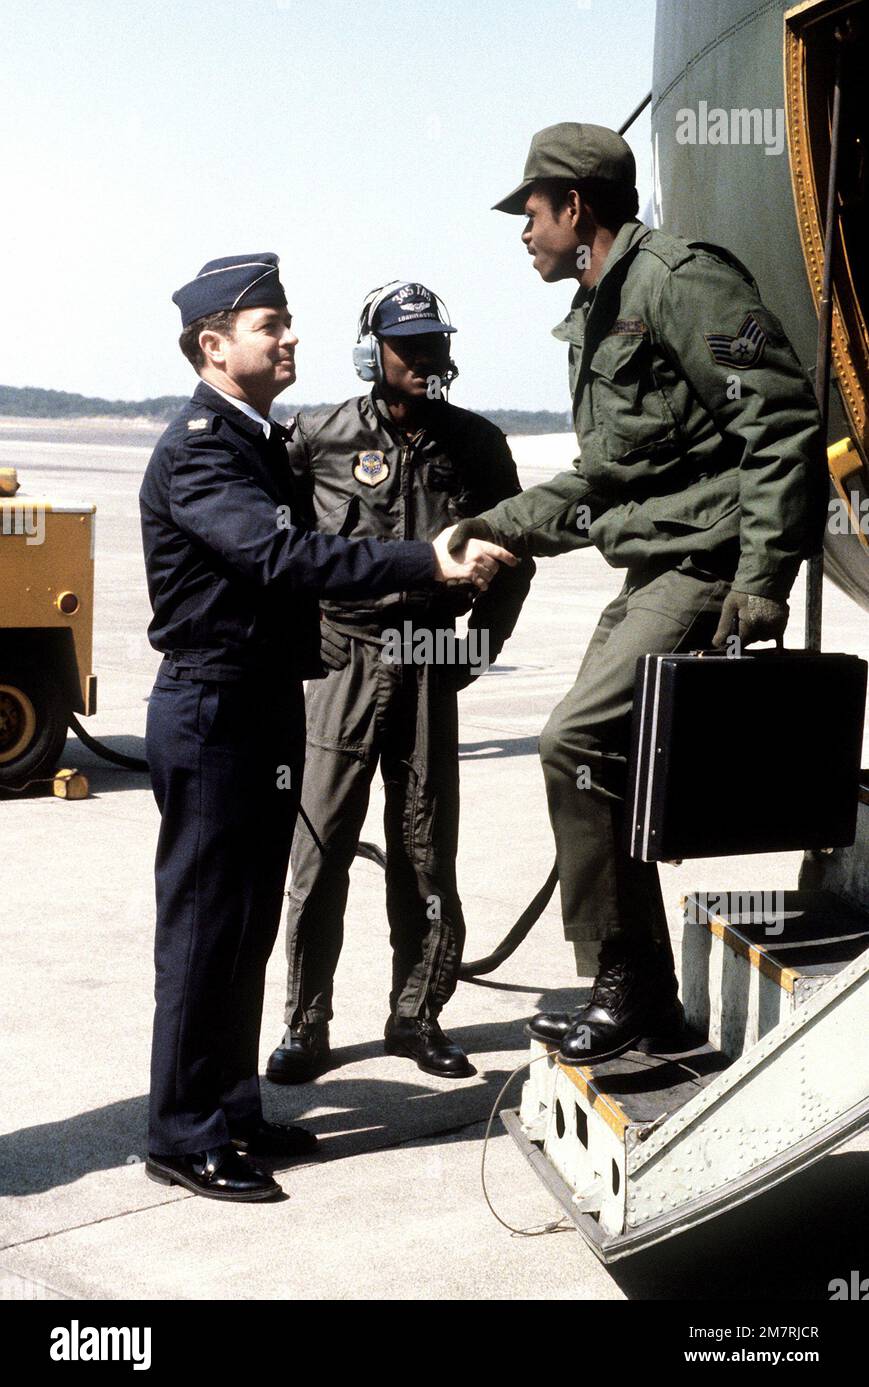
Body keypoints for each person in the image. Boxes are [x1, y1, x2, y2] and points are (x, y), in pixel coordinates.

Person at [138, 253, 516, 1201]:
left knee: (246, 925)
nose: (290, 336)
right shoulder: (201, 445)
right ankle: (182, 1135)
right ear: (213, 346)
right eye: (271, 324)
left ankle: (231, 1112)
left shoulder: (258, 438)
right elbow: (279, 553)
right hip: (214, 705)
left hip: (260, 702)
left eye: (290, 320)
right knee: (205, 932)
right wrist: (424, 564)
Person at [448, 124, 826, 1065]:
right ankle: (640, 988)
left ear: (574, 209)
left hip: (706, 563)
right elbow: (604, 479)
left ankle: (624, 983)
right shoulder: (599, 308)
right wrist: (492, 526)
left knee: (574, 739)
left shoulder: (678, 280)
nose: (522, 233)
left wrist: (761, 580)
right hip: (656, 563)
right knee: (593, 754)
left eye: (529, 213)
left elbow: (779, 423)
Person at [265, 281, 533, 1084]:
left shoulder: (476, 445)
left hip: (426, 662)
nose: (424, 359)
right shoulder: (315, 436)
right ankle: (305, 1026)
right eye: (406, 345)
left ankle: (415, 1017)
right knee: (319, 853)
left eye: (432, 343)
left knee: (424, 854)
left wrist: (470, 655)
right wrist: (295, 650)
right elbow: (273, 553)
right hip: (341, 659)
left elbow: (515, 558)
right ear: (370, 352)